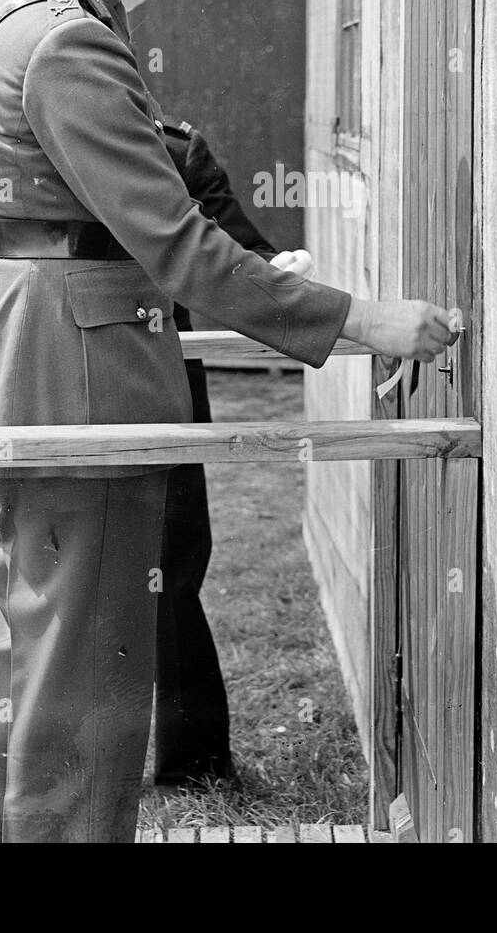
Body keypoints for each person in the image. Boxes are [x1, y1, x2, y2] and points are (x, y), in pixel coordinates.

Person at [0, 0, 458, 843]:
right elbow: (179, 248)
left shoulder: (7, 2)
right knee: (87, 686)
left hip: (14, 360)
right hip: (75, 383)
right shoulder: (68, 38)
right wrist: (365, 321)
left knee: (34, 661)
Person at [154, 118, 303, 788]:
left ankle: (192, 763)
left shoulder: (175, 147)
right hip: (64, 366)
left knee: (173, 560)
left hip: (160, 368)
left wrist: (279, 274)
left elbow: (246, 249)